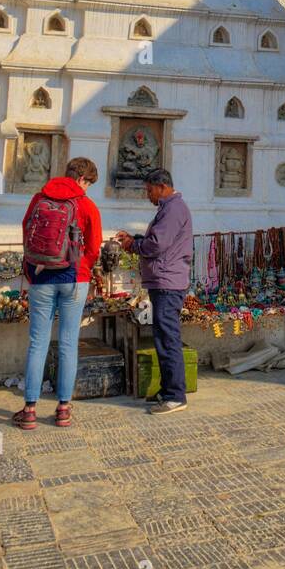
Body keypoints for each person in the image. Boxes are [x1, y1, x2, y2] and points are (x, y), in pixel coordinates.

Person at [13, 157, 102, 431]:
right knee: (68, 343)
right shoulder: (86, 205)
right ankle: (63, 409)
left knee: (37, 343)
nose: (87, 188)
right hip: (74, 279)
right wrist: (81, 267)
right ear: (82, 179)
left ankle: (30, 409)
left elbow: (27, 231)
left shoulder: (39, 198)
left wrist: (32, 270)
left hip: (41, 278)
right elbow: (95, 247)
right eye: (88, 183)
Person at [115, 167, 193, 414]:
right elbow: (159, 241)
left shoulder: (173, 209)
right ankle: (167, 389)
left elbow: (157, 245)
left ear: (162, 187)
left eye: (149, 190)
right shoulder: (169, 209)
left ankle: (175, 395)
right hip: (164, 279)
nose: (148, 195)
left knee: (168, 337)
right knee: (162, 336)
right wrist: (135, 239)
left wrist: (134, 245)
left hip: (168, 282)